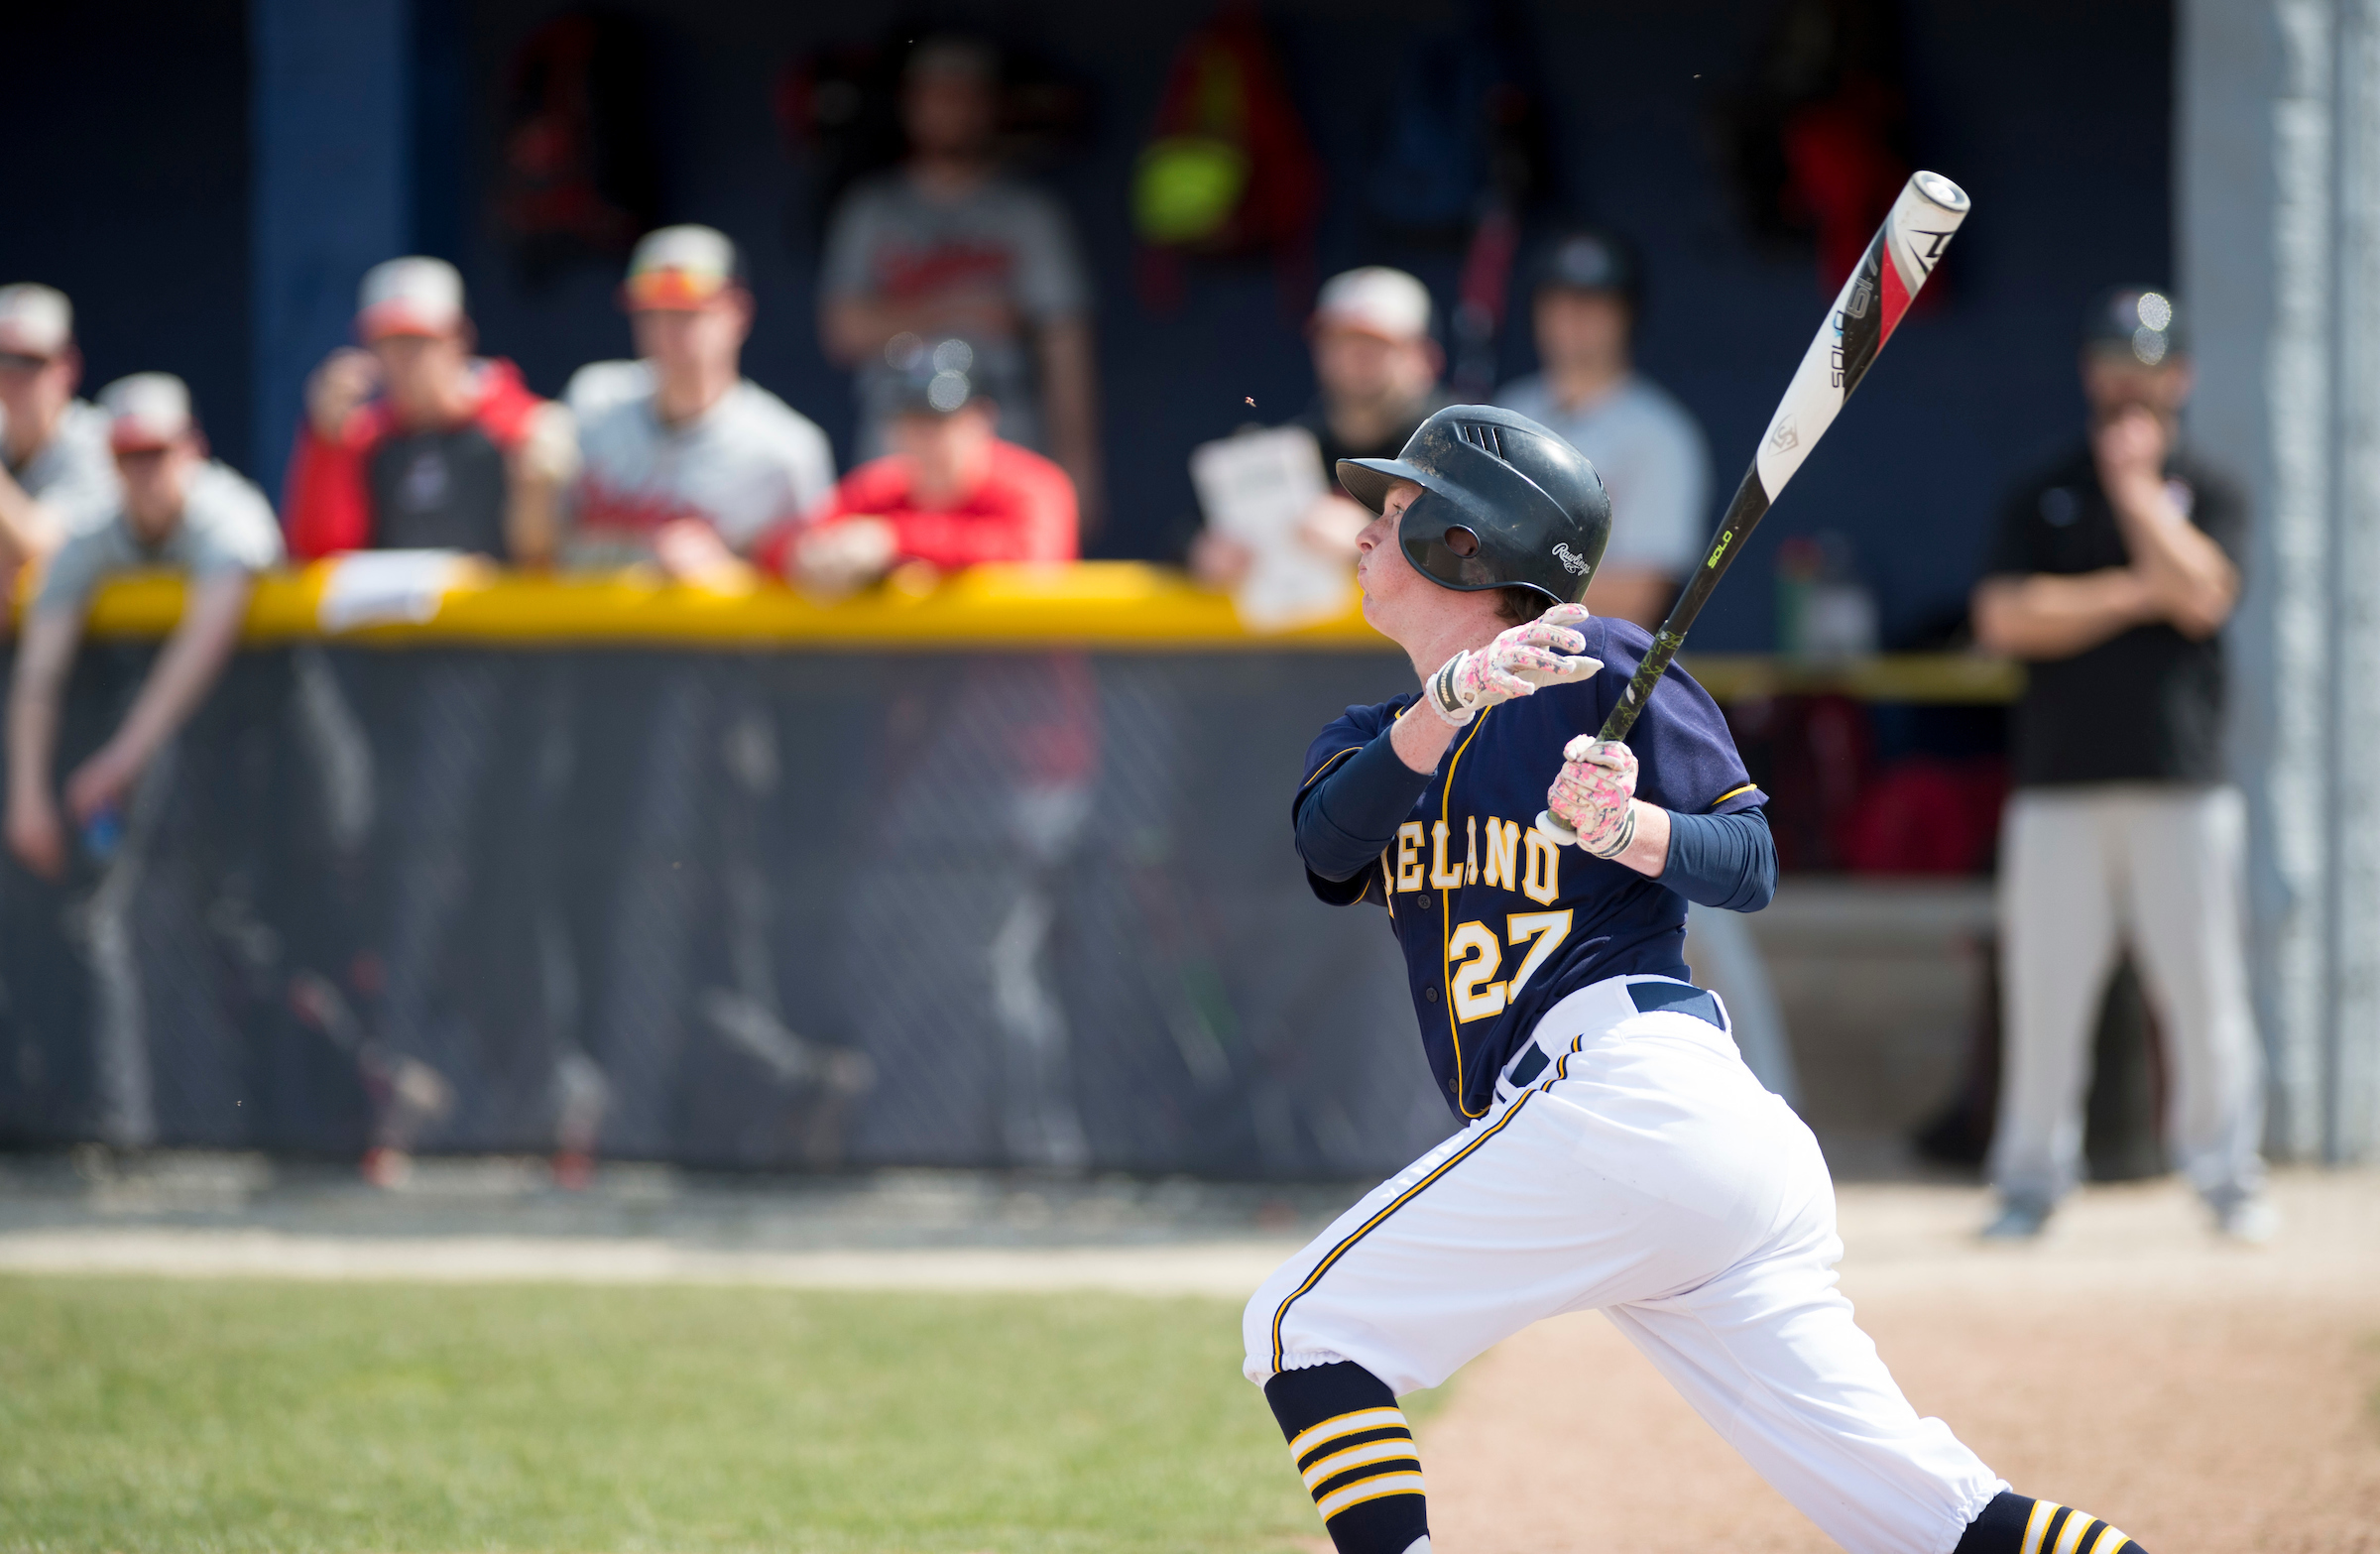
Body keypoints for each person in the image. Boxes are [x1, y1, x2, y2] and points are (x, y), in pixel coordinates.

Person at [1247, 403, 2148, 1554]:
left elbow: (1751, 861)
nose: (1367, 534)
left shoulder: (1601, 663)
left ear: (1462, 545)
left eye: (1396, 512)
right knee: (1935, 1516)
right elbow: (1330, 844)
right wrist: (1454, 703)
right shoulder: (1373, 734)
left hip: (1630, 1086)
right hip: (1642, 1147)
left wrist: (1630, 827)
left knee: (1298, 1325)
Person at [1970, 287, 2269, 1243]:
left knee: (2204, 990)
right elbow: (2008, 617)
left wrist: (2141, 499)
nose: (2127, 384)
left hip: (2181, 782)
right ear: (2089, 373)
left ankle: (2229, 1181)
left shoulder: (2211, 488)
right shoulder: (2043, 488)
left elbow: (2206, 596)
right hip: (2058, 786)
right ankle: (2030, 1180)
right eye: (2111, 364)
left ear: (2178, 376)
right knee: (2046, 994)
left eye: (2146, 365)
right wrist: (2141, 586)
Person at [5, 375, 282, 881]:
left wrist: (118, 763)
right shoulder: (94, 530)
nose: (144, 470)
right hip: (169, 753)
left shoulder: (229, 512)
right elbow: (39, 671)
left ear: (191, 447)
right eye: (129, 455)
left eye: (157, 451)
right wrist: (28, 795)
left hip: (267, 738)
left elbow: (199, 649)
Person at [818, 36, 1100, 524]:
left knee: (1005, 588)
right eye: (938, 94)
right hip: (896, 434)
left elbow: (1066, 346)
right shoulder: (872, 208)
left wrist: (1078, 468)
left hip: (1002, 428)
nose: (952, 109)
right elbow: (842, 330)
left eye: (966, 95)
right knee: (890, 577)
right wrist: (958, 308)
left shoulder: (1026, 213)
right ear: (911, 105)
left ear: (989, 106)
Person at [566, 224, 836, 577]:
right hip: (586, 627)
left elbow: (817, 590)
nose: (665, 332)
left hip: (715, 633)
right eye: (651, 313)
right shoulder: (592, 401)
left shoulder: (786, 450)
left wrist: (729, 574)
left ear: (738, 314)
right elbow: (536, 548)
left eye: (686, 314)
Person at [283, 257, 576, 564]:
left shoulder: (523, 427)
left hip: (494, 612)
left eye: (417, 341)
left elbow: (549, 562)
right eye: (387, 343)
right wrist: (325, 447)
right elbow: (317, 557)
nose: (401, 360)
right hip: (393, 612)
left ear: (458, 339)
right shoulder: (362, 437)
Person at [1493, 227, 1711, 629]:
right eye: (1558, 301)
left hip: (1599, 664)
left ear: (1625, 315)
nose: (1572, 318)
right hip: (1494, 660)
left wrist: (1495, 579)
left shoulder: (1661, 432)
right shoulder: (1507, 412)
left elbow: (1636, 598)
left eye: (1591, 303)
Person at [760, 338, 1075, 594]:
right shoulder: (879, 489)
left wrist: (893, 541)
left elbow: (1033, 558)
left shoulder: (1035, 484)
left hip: (1018, 670)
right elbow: (784, 548)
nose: (925, 440)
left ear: (982, 419)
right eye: (911, 422)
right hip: (914, 672)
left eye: (939, 423)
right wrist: (807, 557)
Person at [0, 285, 118, 586]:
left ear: (66, 366)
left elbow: (38, 547)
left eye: (28, 360)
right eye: (2, 357)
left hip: (119, 630)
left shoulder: (99, 443)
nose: (11, 375)